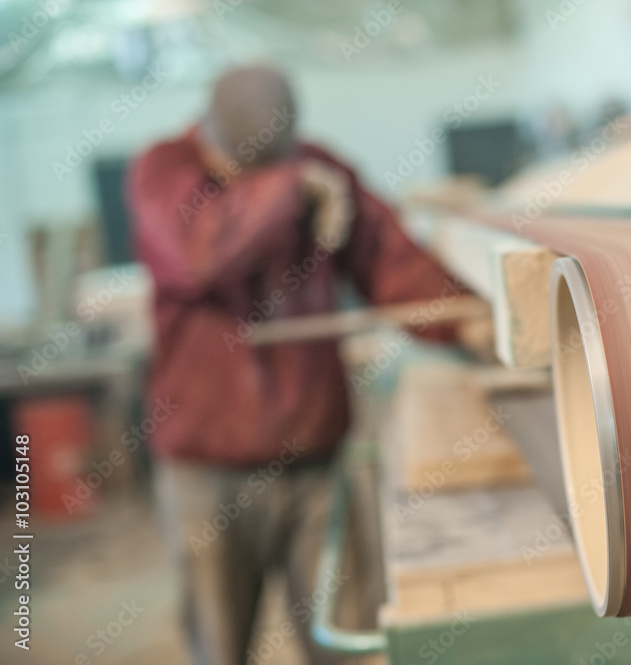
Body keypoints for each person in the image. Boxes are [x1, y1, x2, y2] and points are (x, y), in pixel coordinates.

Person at [127, 64, 464, 665]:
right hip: (208, 471)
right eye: (246, 171)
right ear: (207, 133)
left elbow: (391, 263)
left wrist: (469, 316)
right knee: (219, 647)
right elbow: (197, 254)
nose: (257, 179)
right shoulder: (165, 169)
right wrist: (287, 189)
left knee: (347, 643)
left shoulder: (319, 168)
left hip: (316, 460)